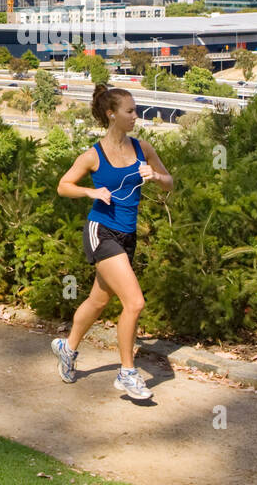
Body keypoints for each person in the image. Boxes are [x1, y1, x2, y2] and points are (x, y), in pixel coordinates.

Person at [53, 83, 173, 400]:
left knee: (99, 301)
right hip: (101, 230)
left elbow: (169, 183)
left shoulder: (142, 148)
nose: (136, 116)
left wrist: (156, 177)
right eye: (130, 111)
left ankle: (67, 348)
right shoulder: (93, 155)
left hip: (126, 234)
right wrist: (91, 192)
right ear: (112, 114)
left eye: (136, 111)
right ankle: (127, 373)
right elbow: (63, 186)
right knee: (135, 302)